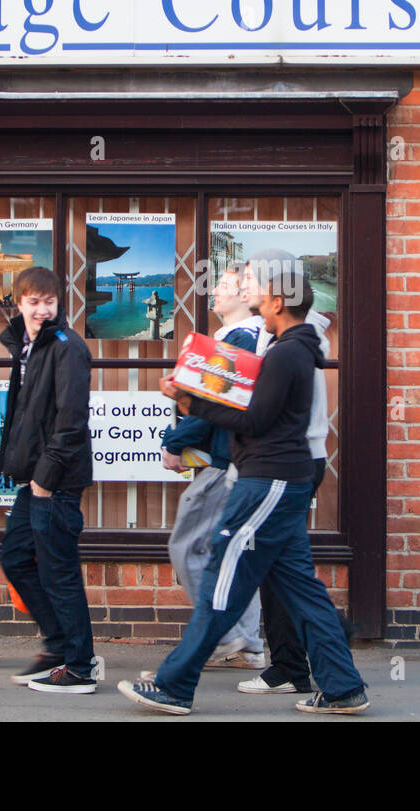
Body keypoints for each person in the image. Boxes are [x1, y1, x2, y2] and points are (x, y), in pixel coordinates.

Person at [118, 266, 369, 715]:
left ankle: (175, 685)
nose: (254, 302)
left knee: (221, 581)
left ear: (280, 303)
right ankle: (342, 687)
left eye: (261, 294)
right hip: (279, 480)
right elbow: (250, 411)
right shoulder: (289, 349)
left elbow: (253, 420)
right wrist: (193, 398)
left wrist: (189, 402)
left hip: (267, 483)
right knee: (301, 590)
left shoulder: (288, 353)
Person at [236, 247, 348, 696]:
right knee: (283, 571)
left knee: (277, 571)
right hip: (292, 461)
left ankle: (305, 666)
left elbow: (261, 414)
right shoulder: (283, 333)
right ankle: (296, 667)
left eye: (250, 279)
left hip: (290, 463)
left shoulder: (293, 338)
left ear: (274, 290)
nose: (245, 287)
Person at [0, 266, 98, 694]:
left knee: (59, 572)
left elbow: (71, 420)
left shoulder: (66, 346)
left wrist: (44, 479)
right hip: (34, 478)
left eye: (49, 302)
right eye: (33, 302)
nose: (41, 310)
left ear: (59, 304)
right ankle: (59, 645)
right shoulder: (28, 345)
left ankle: (79, 667)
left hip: (54, 481)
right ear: (18, 304)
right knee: (16, 558)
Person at [161, 264, 265, 669]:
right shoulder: (255, 338)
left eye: (224, 285)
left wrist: (175, 441)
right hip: (241, 463)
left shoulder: (237, 341)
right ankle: (250, 645)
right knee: (234, 556)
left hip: (223, 465)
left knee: (187, 547)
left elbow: (215, 402)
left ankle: (228, 636)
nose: (214, 291)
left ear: (245, 296)